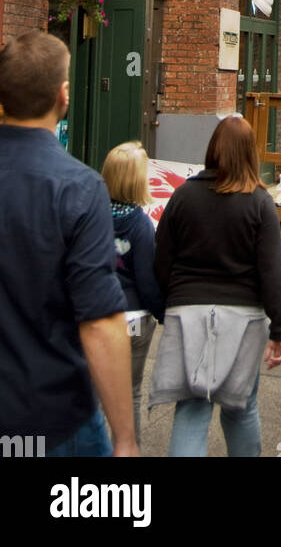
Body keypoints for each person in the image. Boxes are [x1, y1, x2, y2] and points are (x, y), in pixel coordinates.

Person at [0, 31, 138, 457]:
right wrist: (125, 438)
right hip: (50, 417)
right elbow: (99, 321)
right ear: (64, 95)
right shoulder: (78, 188)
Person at [151, 115, 281, 457]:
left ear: (213, 148)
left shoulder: (183, 196)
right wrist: (280, 330)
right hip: (243, 317)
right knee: (241, 406)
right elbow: (273, 271)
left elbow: (161, 260)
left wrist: (164, 308)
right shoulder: (259, 203)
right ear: (250, 153)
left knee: (192, 407)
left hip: (187, 310)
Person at [102, 140, 164, 444]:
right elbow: (147, 281)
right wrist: (163, 312)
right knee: (130, 393)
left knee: (95, 391)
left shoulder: (92, 217)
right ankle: (127, 449)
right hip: (135, 318)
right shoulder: (141, 225)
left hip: (97, 316)